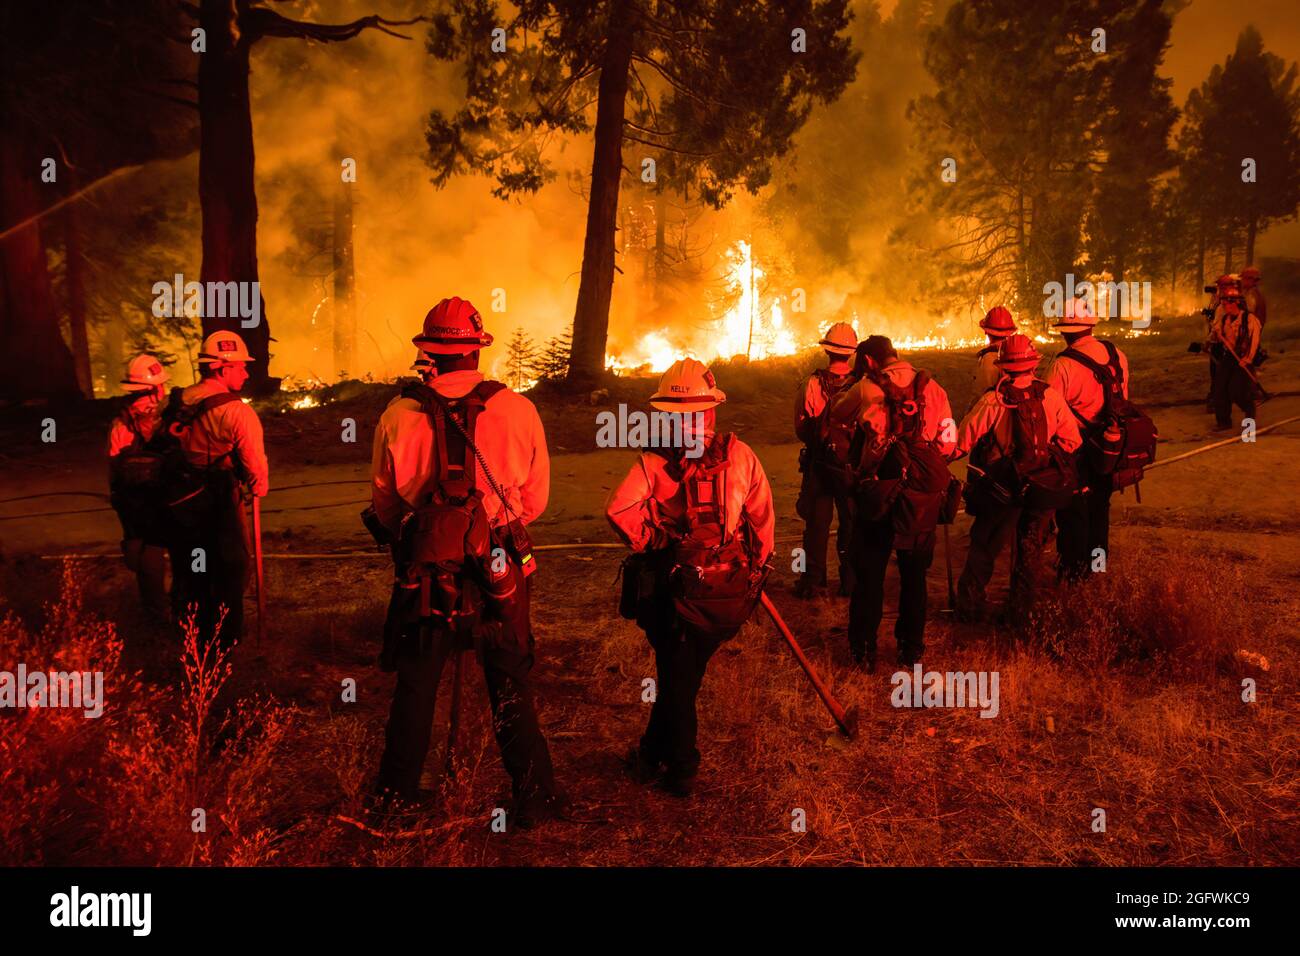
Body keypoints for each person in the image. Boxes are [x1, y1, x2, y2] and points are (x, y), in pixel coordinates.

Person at [369, 297, 562, 828]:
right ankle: (533, 798)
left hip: (426, 571)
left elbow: (385, 503)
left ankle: (395, 799)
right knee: (508, 678)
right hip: (499, 562)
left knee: (416, 682)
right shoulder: (519, 410)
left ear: (428, 350)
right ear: (477, 349)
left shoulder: (397, 415)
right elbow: (537, 501)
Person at [607, 358, 774, 797]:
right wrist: (755, 572)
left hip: (675, 592)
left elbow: (618, 511)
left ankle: (681, 767)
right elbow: (762, 522)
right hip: (726, 594)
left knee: (678, 679)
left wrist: (655, 540)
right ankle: (650, 755)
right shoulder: (742, 455)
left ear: (665, 413)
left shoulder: (653, 461)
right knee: (683, 674)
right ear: (713, 410)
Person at [832, 335, 955, 670]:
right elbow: (949, 441)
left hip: (877, 492)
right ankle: (910, 650)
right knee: (914, 575)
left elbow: (836, 413)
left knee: (869, 573)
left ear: (870, 361)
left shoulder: (866, 387)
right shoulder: (934, 389)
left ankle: (863, 651)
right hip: (919, 496)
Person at [950, 334, 1080, 620]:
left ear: (1004, 367)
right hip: (1041, 485)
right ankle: (1023, 610)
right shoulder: (1050, 396)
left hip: (1003, 487)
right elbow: (1073, 441)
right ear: (1034, 365)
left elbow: (962, 443)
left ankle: (969, 607)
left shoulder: (994, 400)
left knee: (985, 545)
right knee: (1030, 549)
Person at [165, 330, 268, 647]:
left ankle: (188, 638)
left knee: (189, 568)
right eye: (241, 366)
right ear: (223, 369)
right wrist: (258, 486)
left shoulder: (179, 401)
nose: (247, 372)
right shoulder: (238, 412)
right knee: (230, 567)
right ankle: (225, 643)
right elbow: (256, 470)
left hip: (179, 498)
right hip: (220, 499)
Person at [1044, 298, 1129, 581]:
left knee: (1074, 509)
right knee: (1100, 505)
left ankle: (1074, 573)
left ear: (1065, 332)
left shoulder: (1062, 365)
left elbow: (1051, 411)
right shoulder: (1116, 352)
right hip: (1110, 442)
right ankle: (1098, 565)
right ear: (1091, 325)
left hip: (1077, 447)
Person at [793, 321, 857, 598]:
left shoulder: (812, 383)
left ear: (827, 352)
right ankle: (851, 582)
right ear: (852, 353)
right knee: (851, 524)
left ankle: (812, 583)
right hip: (850, 466)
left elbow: (800, 426)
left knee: (816, 527)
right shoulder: (862, 385)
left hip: (819, 464)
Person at [107, 353, 171, 621]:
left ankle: (154, 612)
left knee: (140, 555)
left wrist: (118, 498)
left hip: (131, 502)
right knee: (163, 551)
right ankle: (175, 612)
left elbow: (114, 469)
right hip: (164, 499)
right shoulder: (170, 420)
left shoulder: (120, 424)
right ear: (156, 388)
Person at [1211, 289, 1262, 431]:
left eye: (1227, 302)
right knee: (1219, 388)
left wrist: (1247, 359)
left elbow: (1254, 342)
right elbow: (1215, 338)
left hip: (1244, 358)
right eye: (1223, 302)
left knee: (1236, 390)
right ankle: (1224, 422)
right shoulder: (1224, 320)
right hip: (1230, 357)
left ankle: (1249, 411)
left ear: (1236, 303)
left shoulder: (1249, 320)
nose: (1224, 305)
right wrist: (1215, 335)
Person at [974, 306, 1016, 394]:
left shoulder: (988, 359)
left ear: (987, 332)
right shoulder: (1018, 354)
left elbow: (982, 394)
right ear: (1009, 333)